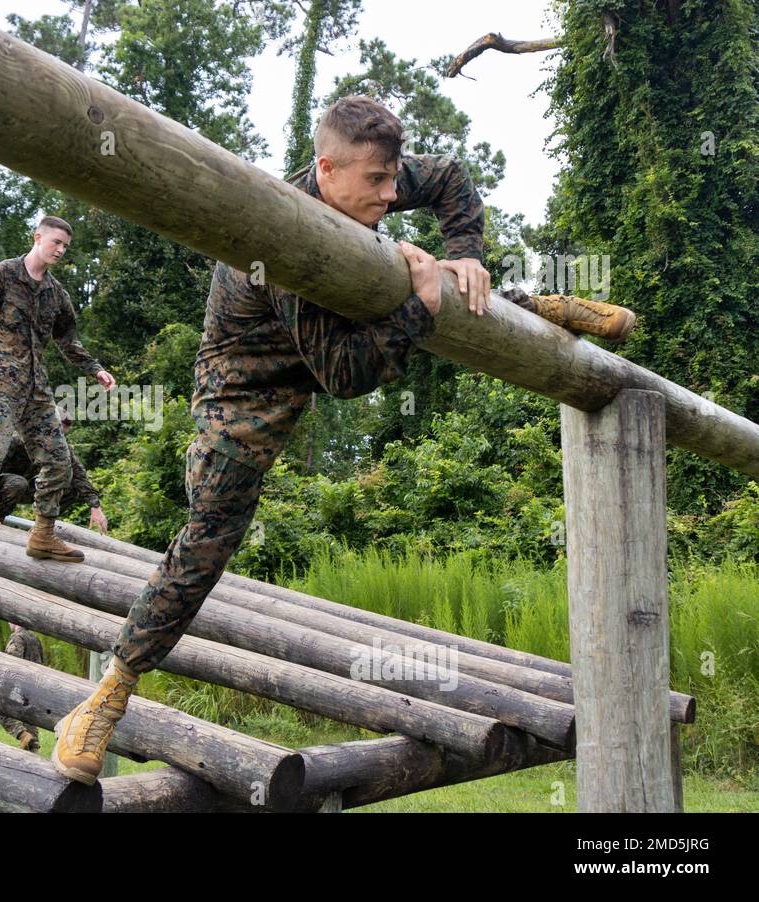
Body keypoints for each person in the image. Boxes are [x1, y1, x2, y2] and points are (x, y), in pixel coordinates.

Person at [48, 95, 640, 786]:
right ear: (326, 169)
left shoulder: (368, 173)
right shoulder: (283, 239)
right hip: (244, 396)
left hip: (331, 335)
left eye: (394, 181)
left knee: (428, 277)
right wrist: (417, 303)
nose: (391, 196)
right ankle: (107, 694)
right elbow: (345, 375)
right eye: (377, 184)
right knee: (208, 537)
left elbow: (448, 177)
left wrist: (465, 255)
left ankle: (528, 304)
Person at [0, 216, 115, 567]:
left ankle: (43, 535)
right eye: (56, 243)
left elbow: (68, 339)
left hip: (36, 390)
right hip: (0, 385)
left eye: (66, 246)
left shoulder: (55, 294)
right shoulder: (3, 274)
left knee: (58, 461)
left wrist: (94, 368)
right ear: (38, 238)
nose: (61, 250)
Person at [0, 409, 108, 533]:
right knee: (18, 482)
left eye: (62, 436)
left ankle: (41, 528)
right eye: (55, 433)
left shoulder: (61, 449)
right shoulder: (17, 439)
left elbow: (79, 476)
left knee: (71, 488)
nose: (57, 440)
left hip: (28, 488)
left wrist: (95, 506)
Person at [0, 623, 46, 752]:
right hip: (34, 687)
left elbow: (12, 664)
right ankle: (32, 751)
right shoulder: (35, 638)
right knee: (29, 721)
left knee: (2, 712)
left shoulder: (17, 638)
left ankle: (22, 735)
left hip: (18, 687)